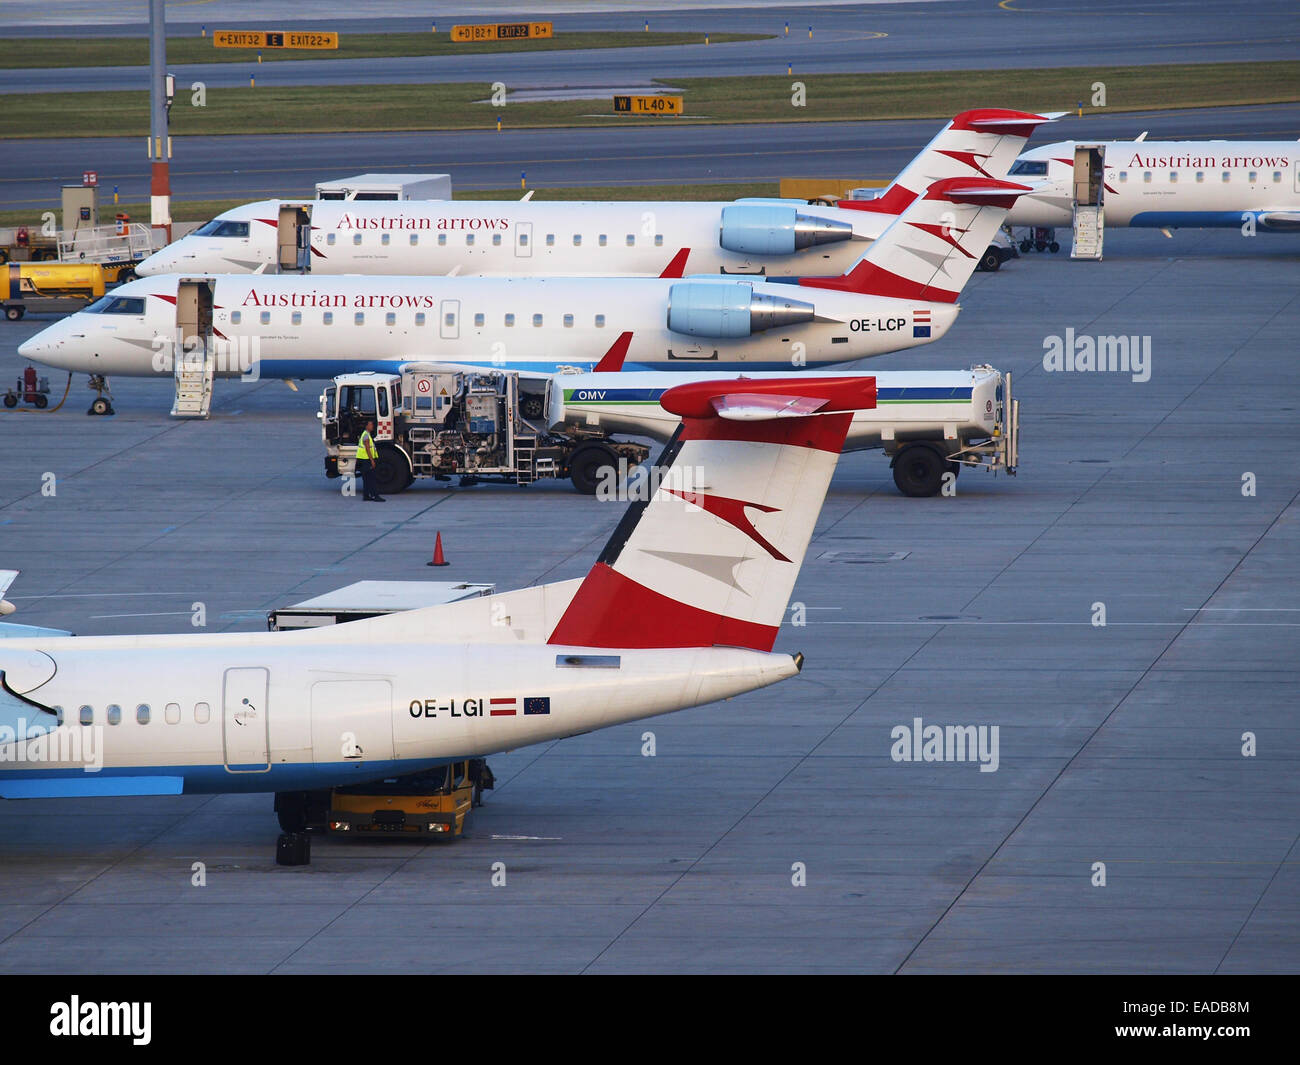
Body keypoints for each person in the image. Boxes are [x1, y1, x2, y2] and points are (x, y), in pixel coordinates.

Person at [356, 418, 384, 502]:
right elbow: (368, 449)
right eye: (371, 424)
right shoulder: (366, 436)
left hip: (363, 460)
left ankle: (366, 496)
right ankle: (376, 496)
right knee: (372, 478)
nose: (372, 426)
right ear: (367, 426)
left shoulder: (366, 434)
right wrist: (372, 460)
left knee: (366, 479)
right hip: (366, 460)